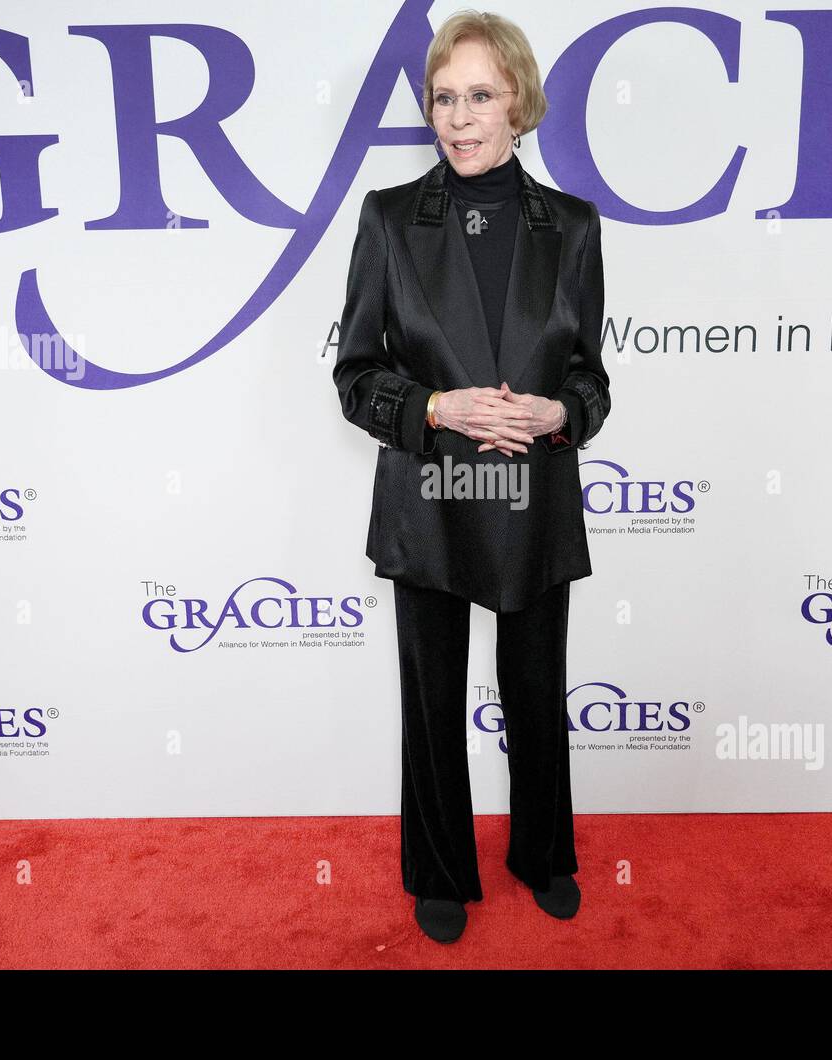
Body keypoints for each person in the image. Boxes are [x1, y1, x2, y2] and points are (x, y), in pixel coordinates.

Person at [332, 10, 611, 943]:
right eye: (445, 98)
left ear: (520, 105)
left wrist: (563, 414)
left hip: (531, 494)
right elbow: (356, 374)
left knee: (537, 695)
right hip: (433, 498)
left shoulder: (572, 226)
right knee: (433, 697)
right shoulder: (386, 218)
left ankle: (543, 853)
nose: (459, 117)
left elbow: (590, 378)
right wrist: (438, 411)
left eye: (480, 96)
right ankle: (441, 867)